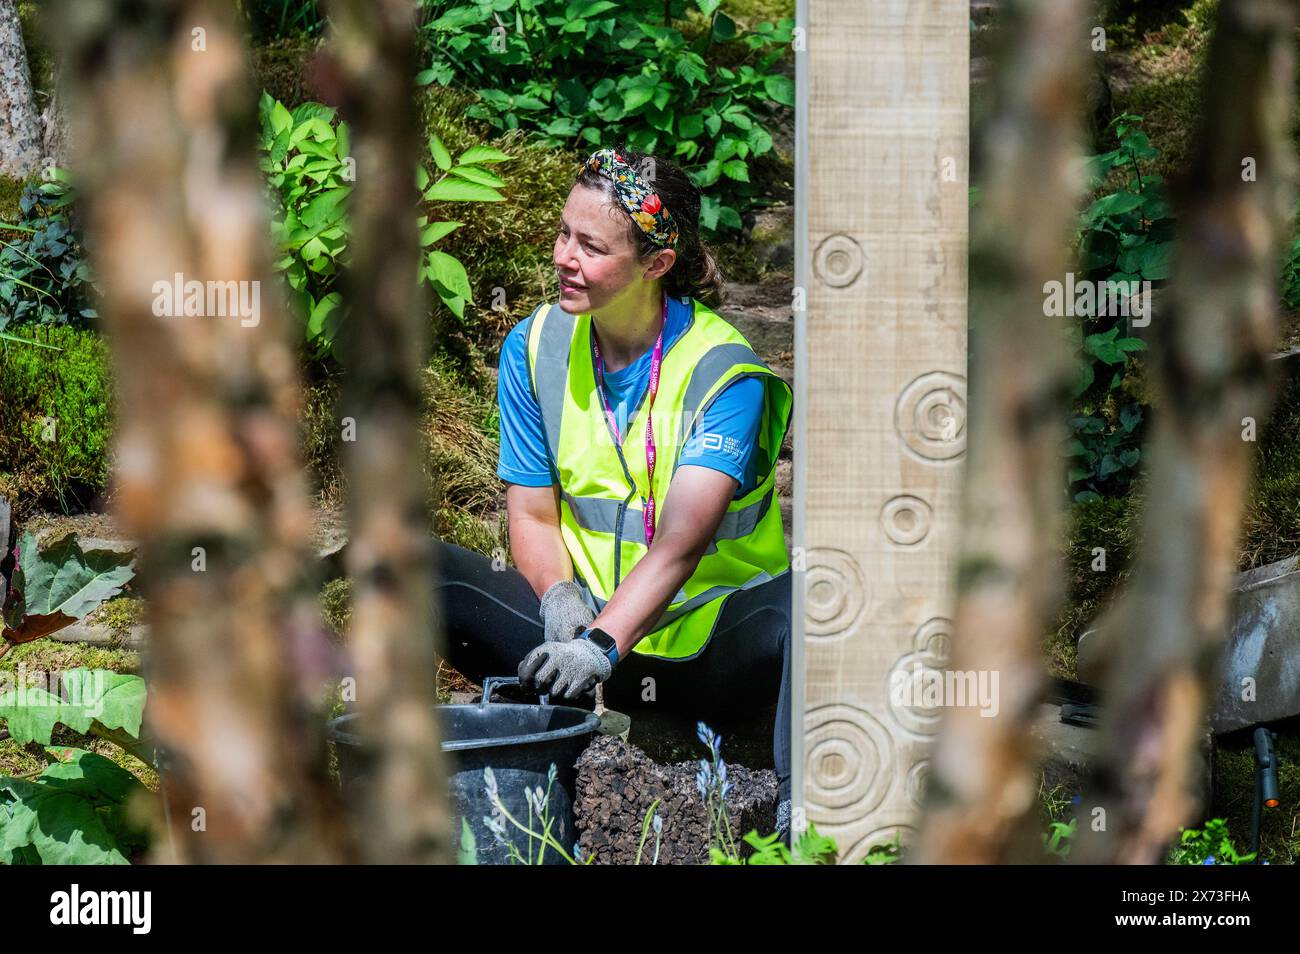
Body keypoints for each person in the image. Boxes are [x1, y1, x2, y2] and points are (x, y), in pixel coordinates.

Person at [431, 146, 795, 837]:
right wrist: (560, 599)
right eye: (565, 233)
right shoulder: (535, 344)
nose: (565, 256)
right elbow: (533, 515)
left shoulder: (725, 374)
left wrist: (601, 643)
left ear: (657, 264)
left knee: (808, 604)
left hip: (703, 652)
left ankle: (797, 825)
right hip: (580, 647)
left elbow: (682, 546)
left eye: (591, 246)